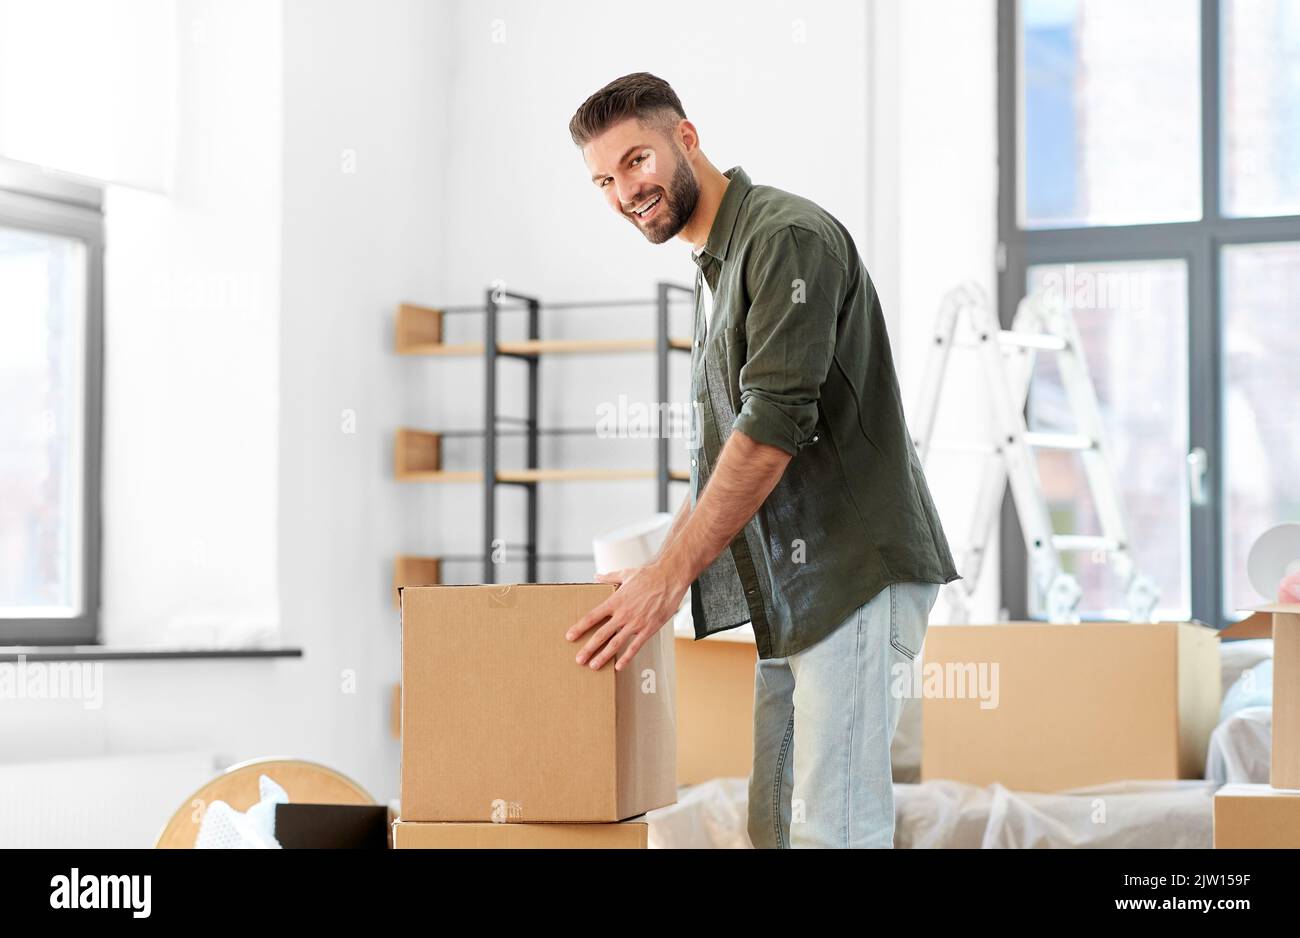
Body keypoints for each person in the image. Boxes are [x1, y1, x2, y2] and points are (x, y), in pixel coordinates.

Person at [563, 72, 959, 848]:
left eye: (636, 161)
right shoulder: (715, 268)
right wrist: (655, 568)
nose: (625, 192)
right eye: (604, 180)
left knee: (832, 833)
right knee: (777, 828)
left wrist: (669, 578)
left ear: (686, 137)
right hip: (797, 597)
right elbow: (724, 456)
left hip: (853, 575)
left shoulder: (783, 239)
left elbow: (773, 428)